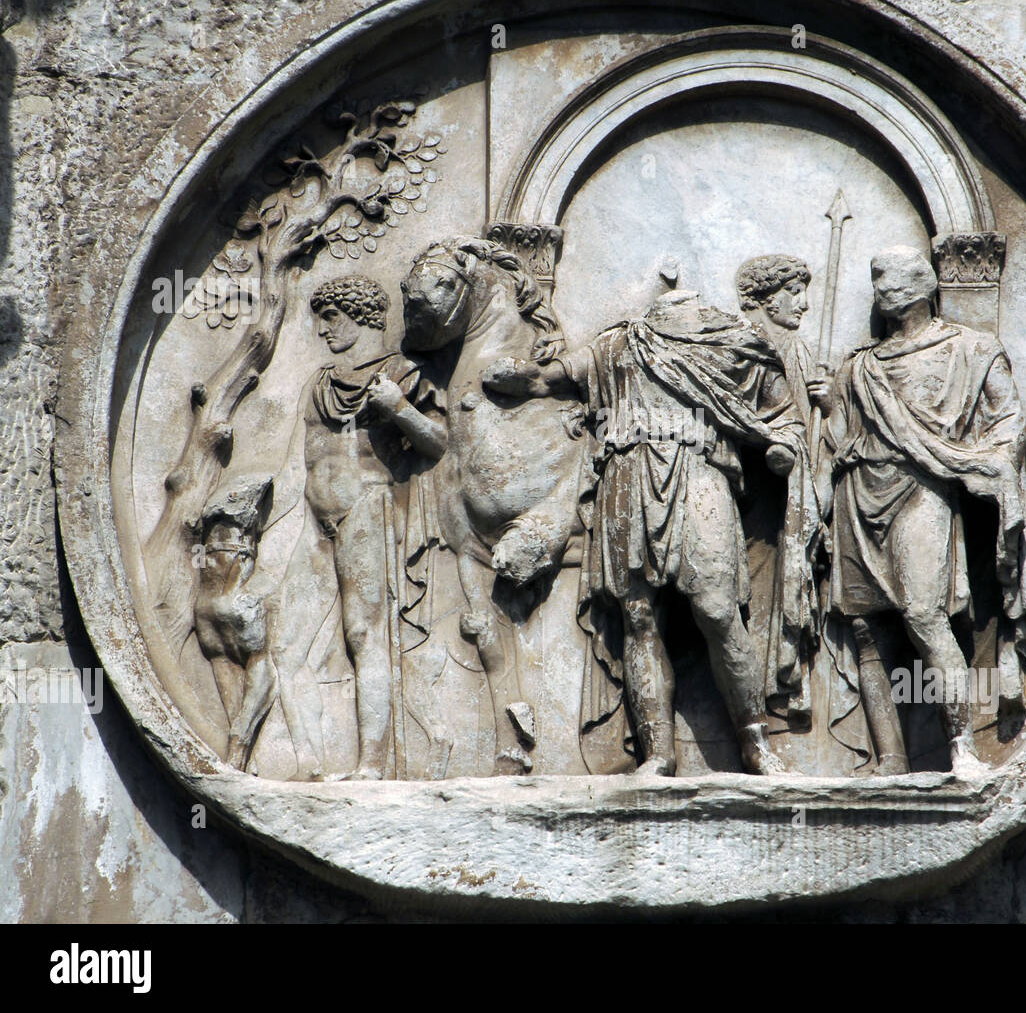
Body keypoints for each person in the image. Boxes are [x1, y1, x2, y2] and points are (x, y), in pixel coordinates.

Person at [482, 279, 819, 775]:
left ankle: (755, 743)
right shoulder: (618, 342)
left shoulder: (733, 339)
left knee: (719, 609)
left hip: (699, 469)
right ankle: (658, 753)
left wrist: (784, 446)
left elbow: (784, 415)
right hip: (627, 475)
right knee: (638, 618)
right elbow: (543, 381)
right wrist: (506, 371)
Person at [820, 246, 1026, 776]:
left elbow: (1009, 420)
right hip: (860, 490)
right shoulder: (859, 365)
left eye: (898, 278)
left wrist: (989, 464)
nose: (886, 288)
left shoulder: (971, 350)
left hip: (923, 487)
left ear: (926, 285)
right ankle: (890, 760)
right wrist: (830, 405)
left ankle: (962, 750)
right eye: (878, 279)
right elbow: (839, 437)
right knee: (866, 629)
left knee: (924, 615)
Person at [274, 276, 444, 779]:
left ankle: (370, 765)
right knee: (285, 643)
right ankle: (306, 762)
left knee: (363, 633)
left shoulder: (402, 374)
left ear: (364, 317)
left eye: (333, 317)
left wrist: (399, 408)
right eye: (320, 318)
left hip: (368, 509)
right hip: (313, 517)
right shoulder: (319, 383)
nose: (322, 329)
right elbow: (295, 463)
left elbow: (438, 442)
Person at [734, 254, 831, 729]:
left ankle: (778, 684)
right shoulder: (735, 343)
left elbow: (826, 431)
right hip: (744, 493)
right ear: (765, 297)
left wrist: (829, 403)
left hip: (790, 497)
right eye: (794, 292)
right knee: (742, 590)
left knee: (784, 586)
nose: (804, 304)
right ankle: (746, 700)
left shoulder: (801, 351)